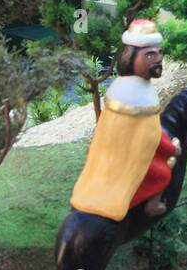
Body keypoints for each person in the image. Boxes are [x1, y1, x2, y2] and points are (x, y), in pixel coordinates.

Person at [69, 19, 179, 221]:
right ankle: (152, 205)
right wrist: (172, 150)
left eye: (159, 53)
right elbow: (152, 136)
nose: (158, 60)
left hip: (109, 158)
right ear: (132, 59)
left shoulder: (119, 89)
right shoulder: (139, 97)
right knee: (163, 173)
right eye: (150, 55)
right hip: (127, 162)